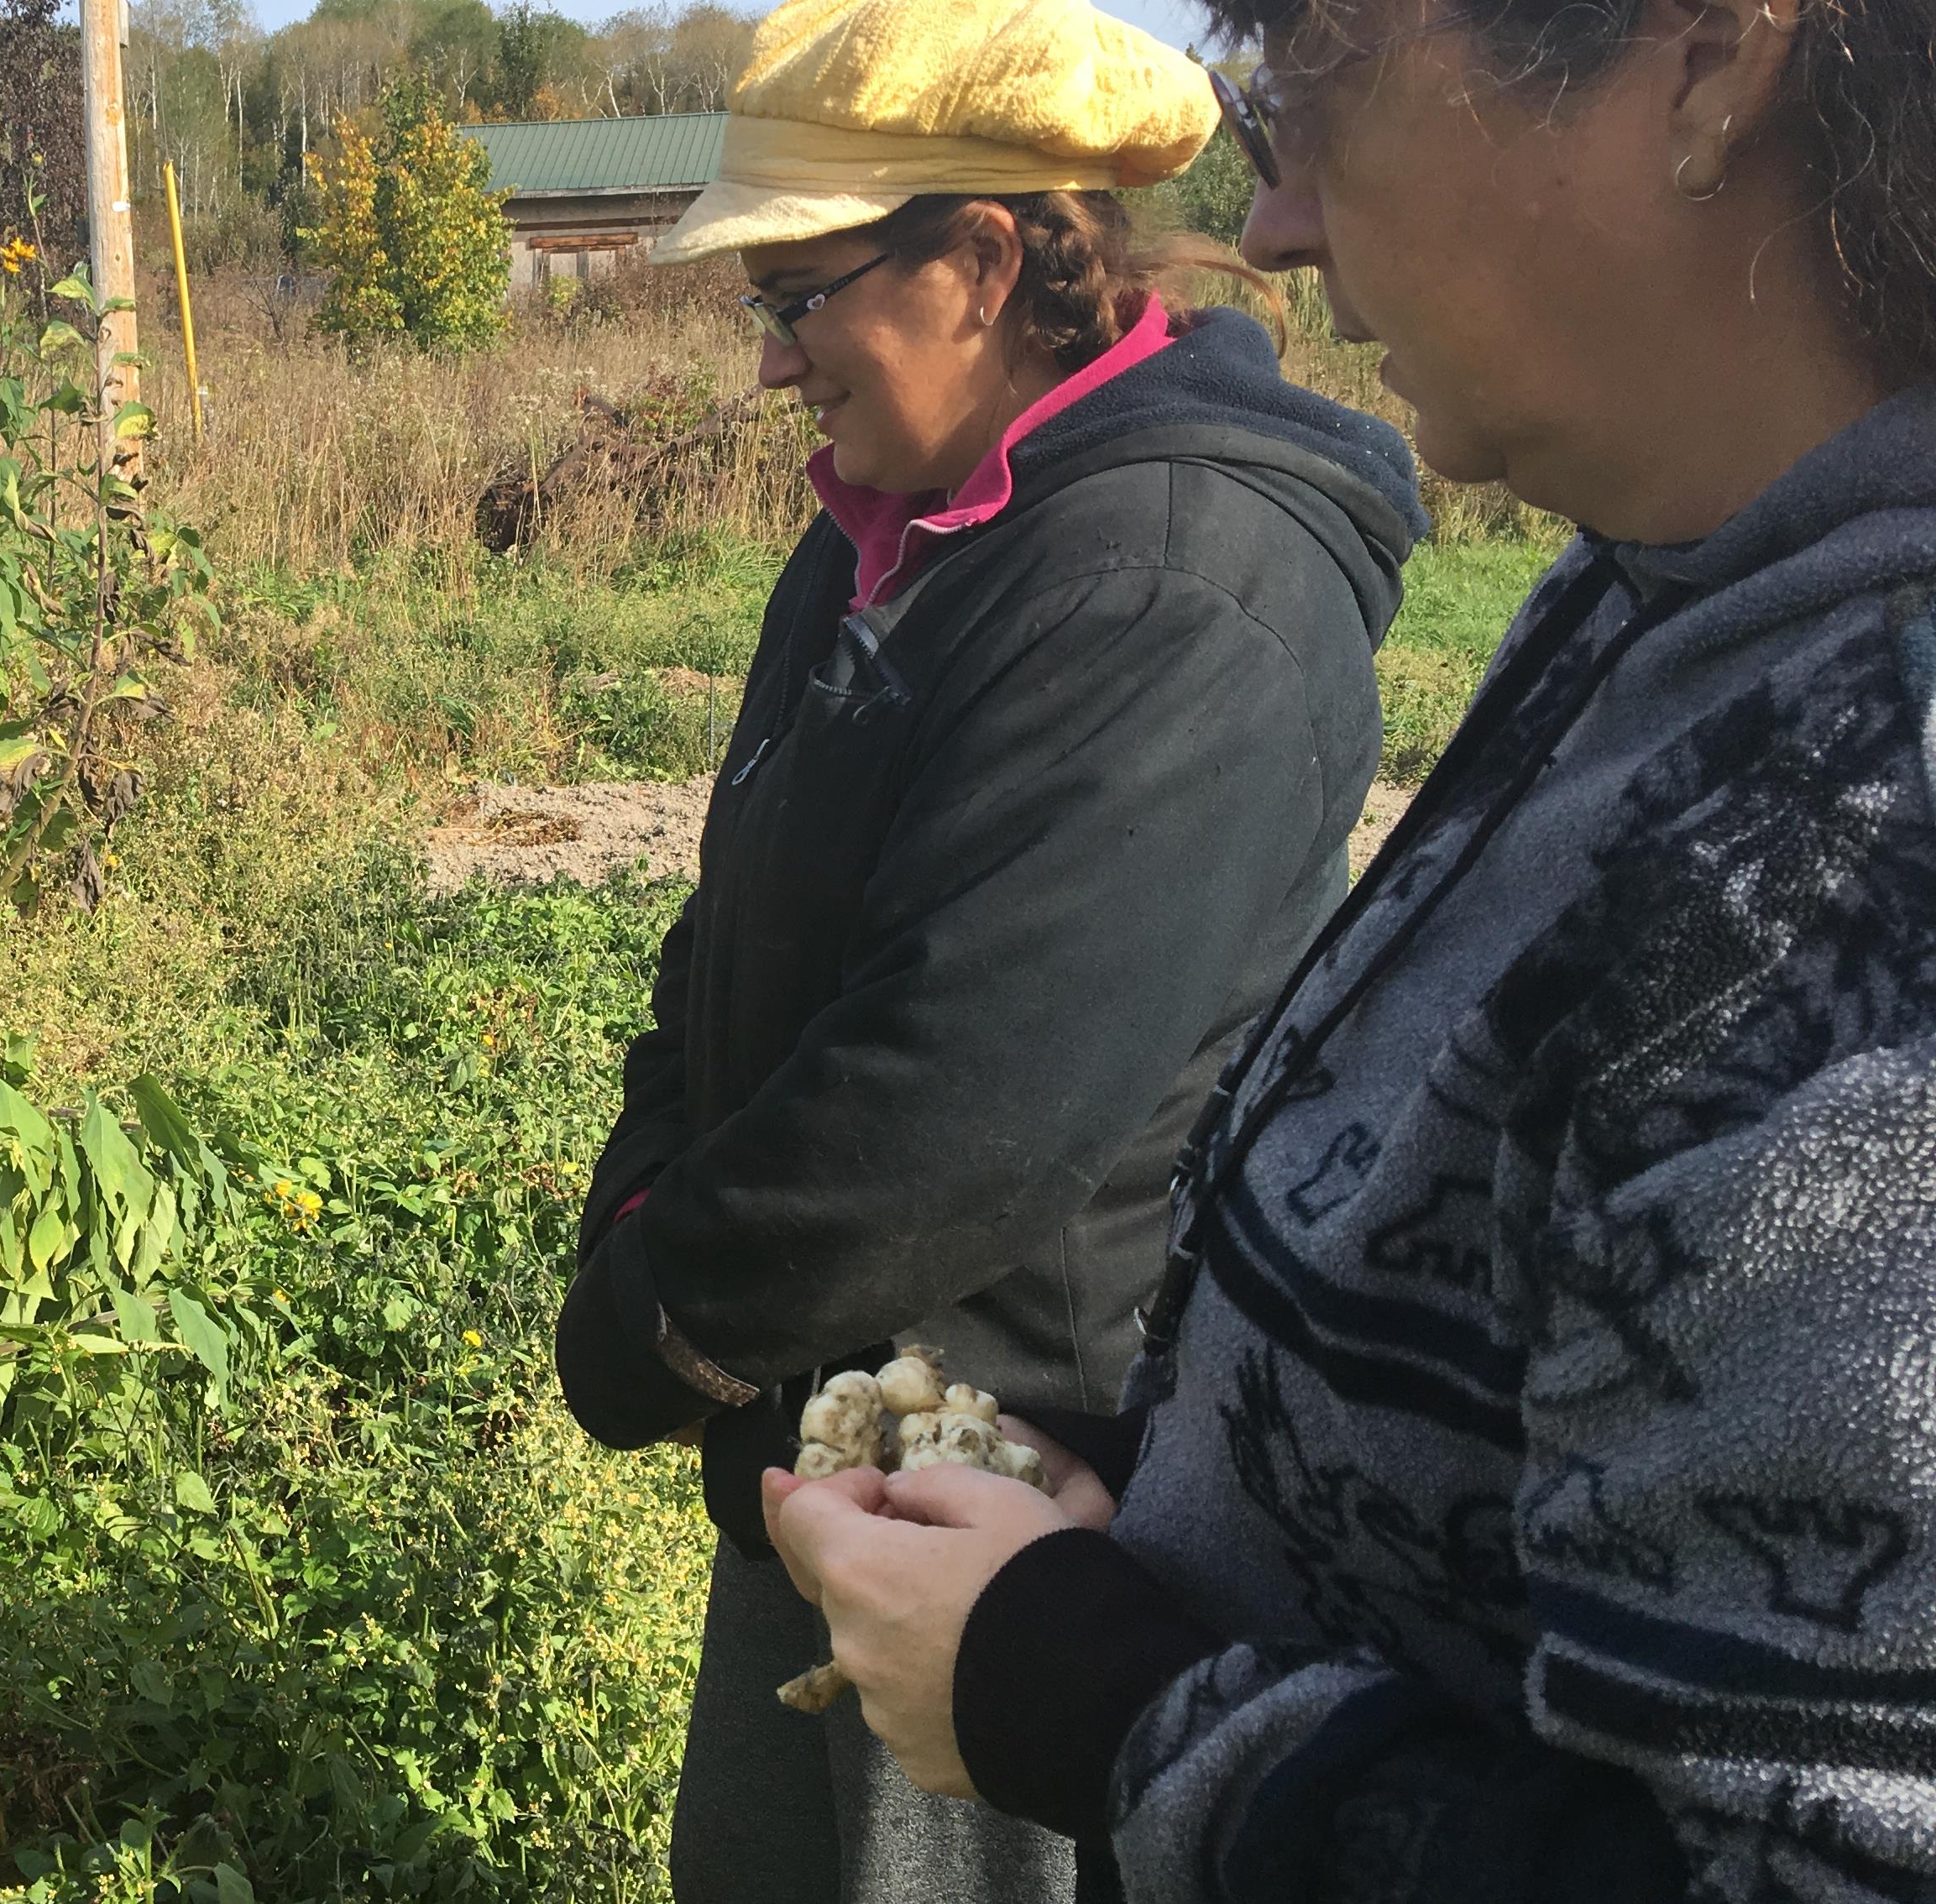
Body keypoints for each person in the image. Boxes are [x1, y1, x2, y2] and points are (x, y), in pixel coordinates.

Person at [760, 0, 1936, 1894]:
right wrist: (1177, 1514)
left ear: (1713, 60)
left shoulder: (1880, 831)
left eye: (1318, 96)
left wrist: (1099, 1694)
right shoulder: (1657, 597)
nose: (1281, 215)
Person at [546, 0, 1425, 1896]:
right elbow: (733, 917)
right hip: (836, 1441)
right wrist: (645, 1192)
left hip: (1012, 1484)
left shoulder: (1172, 586)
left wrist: (651, 1324)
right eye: (761, 306)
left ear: (983, 257)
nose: (777, 362)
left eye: (803, 296)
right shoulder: (904, 522)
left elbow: (956, 1103)